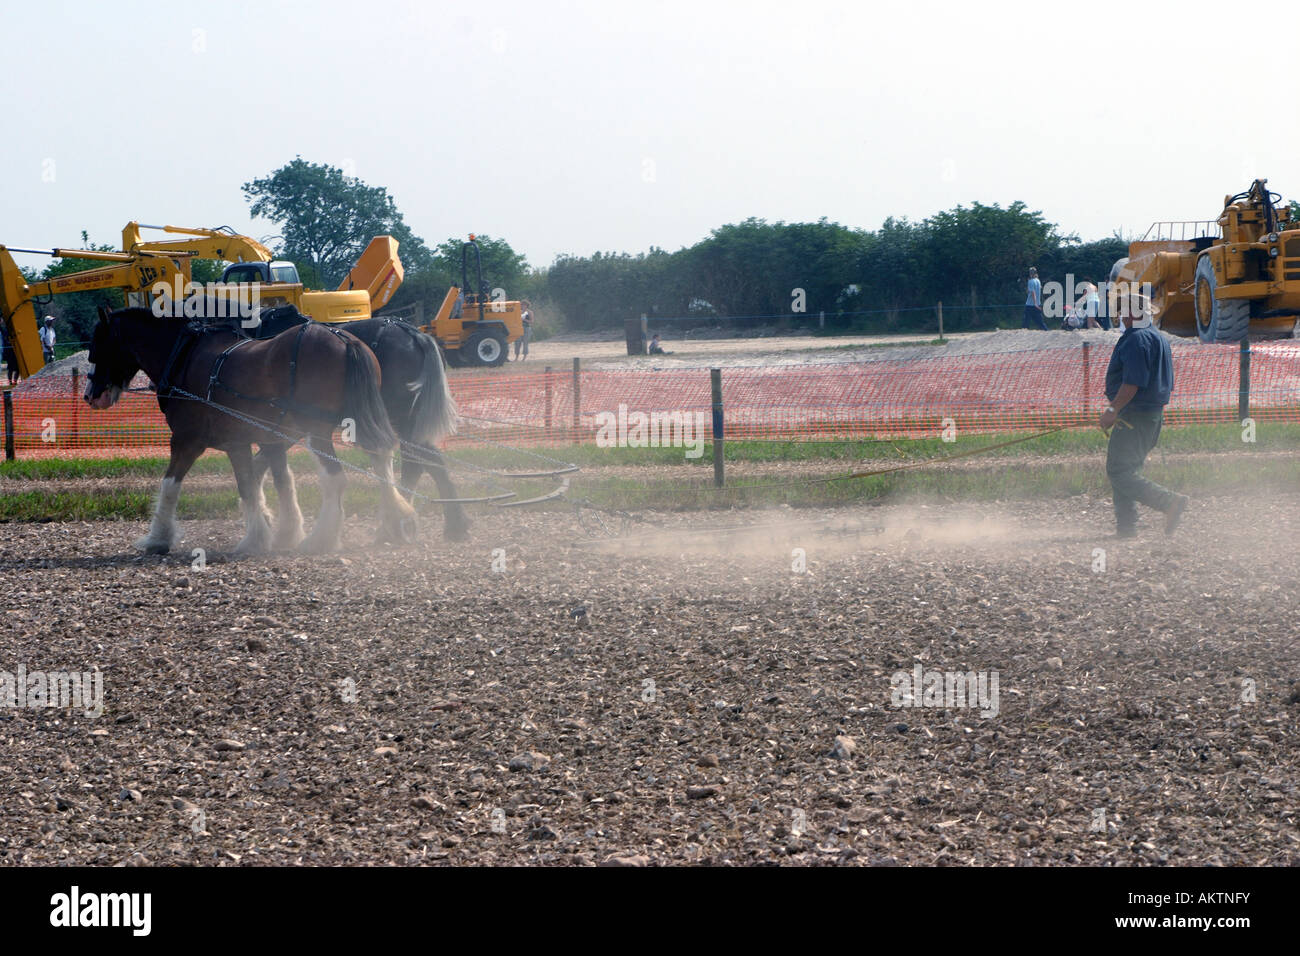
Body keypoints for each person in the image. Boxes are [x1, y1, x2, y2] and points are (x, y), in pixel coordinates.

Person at [1099, 293, 1188, 538]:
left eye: (1123, 311)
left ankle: (1169, 502)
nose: (1121, 316)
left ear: (1134, 313)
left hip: (1134, 417)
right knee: (1125, 469)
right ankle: (1126, 529)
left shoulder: (1136, 340)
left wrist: (1111, 410)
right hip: (1150, 417)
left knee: (1119, 472)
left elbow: (1132, 384)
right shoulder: (1157, 338)